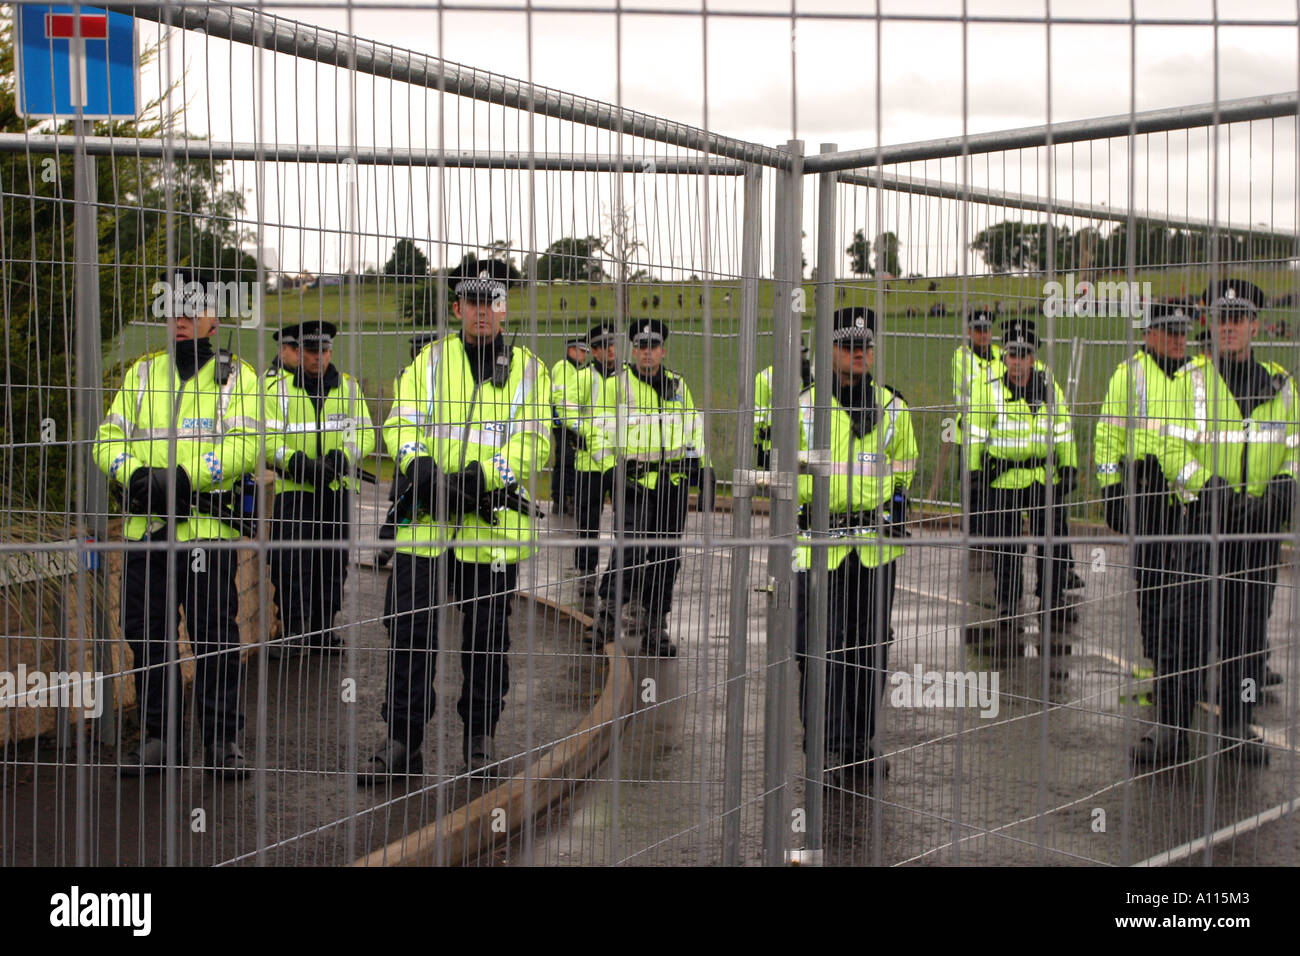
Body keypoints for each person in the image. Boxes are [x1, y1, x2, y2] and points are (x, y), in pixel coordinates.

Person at [362, 277, 550, 781]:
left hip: (489, 529)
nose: (482, 312)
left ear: (504, 310)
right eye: (472, 303)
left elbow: (535, 443)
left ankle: (479, 738)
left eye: (492, 303)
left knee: (487, 638)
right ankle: (403, 740)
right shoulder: (430, 362)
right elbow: (400, 422)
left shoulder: (530, 371)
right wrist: (418, 464)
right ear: (457, 307)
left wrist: (483, 476)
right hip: (426, 523)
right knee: (409, 631)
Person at [94, 269, 263, 779]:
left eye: (194, 309)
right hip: (148, 532)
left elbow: (245, 445)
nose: (182, 319)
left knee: (213, 635)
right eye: (175, 309)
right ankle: (158, 737)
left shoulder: (239, 378)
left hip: (206, 533)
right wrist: (138, 474)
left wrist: (187, 476)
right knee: (146, 633)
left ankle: (220, 740)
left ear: (215, 317)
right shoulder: (143, 375)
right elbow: (107, 440)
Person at [793, 306, 917, 785]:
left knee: (870, 646)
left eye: (865, 346)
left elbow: (904, 465)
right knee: (819, 646)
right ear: (830, 351)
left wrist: (896, 503)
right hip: (818, 543)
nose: (858, 353)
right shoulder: (804, 407)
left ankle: (860, 743)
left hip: (873, 544)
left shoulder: (891, 408)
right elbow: (787, 470)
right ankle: (824, 744)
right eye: (847, 345)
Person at [1179, 278, 1298, 765]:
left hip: (1258, 531)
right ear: (1210, 324)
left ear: (1254, 325)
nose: (1228, 328)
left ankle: (1236, 724)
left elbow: (1295, 448)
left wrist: (1283, 490)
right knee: (1191, 624)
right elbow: (1171, 447)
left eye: (1238, 320)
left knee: (1248, 634)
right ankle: (1175, 726)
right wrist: (1207, 489)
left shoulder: (1282, 386)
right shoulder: (1191, 381)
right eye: (1220, 320)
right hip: (1207, 526)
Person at [1094, 302, 1212, 765]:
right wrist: (1110, 491)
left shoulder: (1201, 374)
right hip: (1147, 498)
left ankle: (1187, 683)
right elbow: (1107, 436)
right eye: (1170, 330)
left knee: (1194, 596)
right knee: (1155, 595)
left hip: (1195, 499)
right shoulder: (1131, 375)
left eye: (1184, 330)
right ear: (1150, 333)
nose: (1180, 338)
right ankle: (1167, 684)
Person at [589, 318, 715, 657]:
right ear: (633, 349)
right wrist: (610, 471)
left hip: (671, 484)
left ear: (662, 349)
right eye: (641, 347)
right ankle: (609, 617)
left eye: (654, 347)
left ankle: (655, 625)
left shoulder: (677, 385)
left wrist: (704, 470)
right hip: (633, 482)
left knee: (666, 556)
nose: (647, 353)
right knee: (628, 551)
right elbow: (599, 429)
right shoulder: (618, 385)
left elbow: (693, 428)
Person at [263, 320, 376, 657]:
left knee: (332, 558)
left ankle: (324, 628)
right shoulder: (274, 390)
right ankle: (293, 630)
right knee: (291, 560)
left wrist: (343, 455)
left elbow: (366, 434)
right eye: (310, 351)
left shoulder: (348, 387)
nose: (318, 358)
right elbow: (264, 439)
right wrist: (296, 461)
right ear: (297, 352)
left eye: (323, 351)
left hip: (334, 487)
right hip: (294, 487)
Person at [966, 318, 1078, 635]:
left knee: (1052, 541)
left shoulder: (1049, 387)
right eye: (1012, 354)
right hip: (1004, 478)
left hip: (1043, 477)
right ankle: (1008, 602)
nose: (1017, 361)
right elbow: (975, 435)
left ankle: (1052, 599)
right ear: (1004, 356)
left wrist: (1069, 466)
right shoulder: (988, 390)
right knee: (1007, 545)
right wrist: (974, 474)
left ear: (1033, 357)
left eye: (1023, 354)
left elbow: (1063, 429)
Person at [555, 322, 619, 615]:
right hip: (587, 461)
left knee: (624, 521)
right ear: (593, 351)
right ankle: (586, 572)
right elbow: (566, 411)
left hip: (619, 461)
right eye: (603, 347)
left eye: (613, 345)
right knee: (588, 521)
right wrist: (589, 431)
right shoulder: (582, 379)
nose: (610, 351)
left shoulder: (626, 378)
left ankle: (618, 576)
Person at [549, 337, 592, 516]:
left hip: (569, 422)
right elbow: (561, 396)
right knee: (565, 461)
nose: (583, 355)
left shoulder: (573, 369)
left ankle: (567, 498)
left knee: (569, 461)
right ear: (571, 350)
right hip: (563, 423)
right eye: (581, 351)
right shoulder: (564, 368)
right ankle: (561, 500)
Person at [754, 343, 812, 469]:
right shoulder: (765, 377)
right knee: (777, 487)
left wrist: (809, 380)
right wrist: (757, 445)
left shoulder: (805, 375)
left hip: (803, 447)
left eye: (800, 354)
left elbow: (812, 407)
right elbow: (757, 414)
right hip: (774, 444)